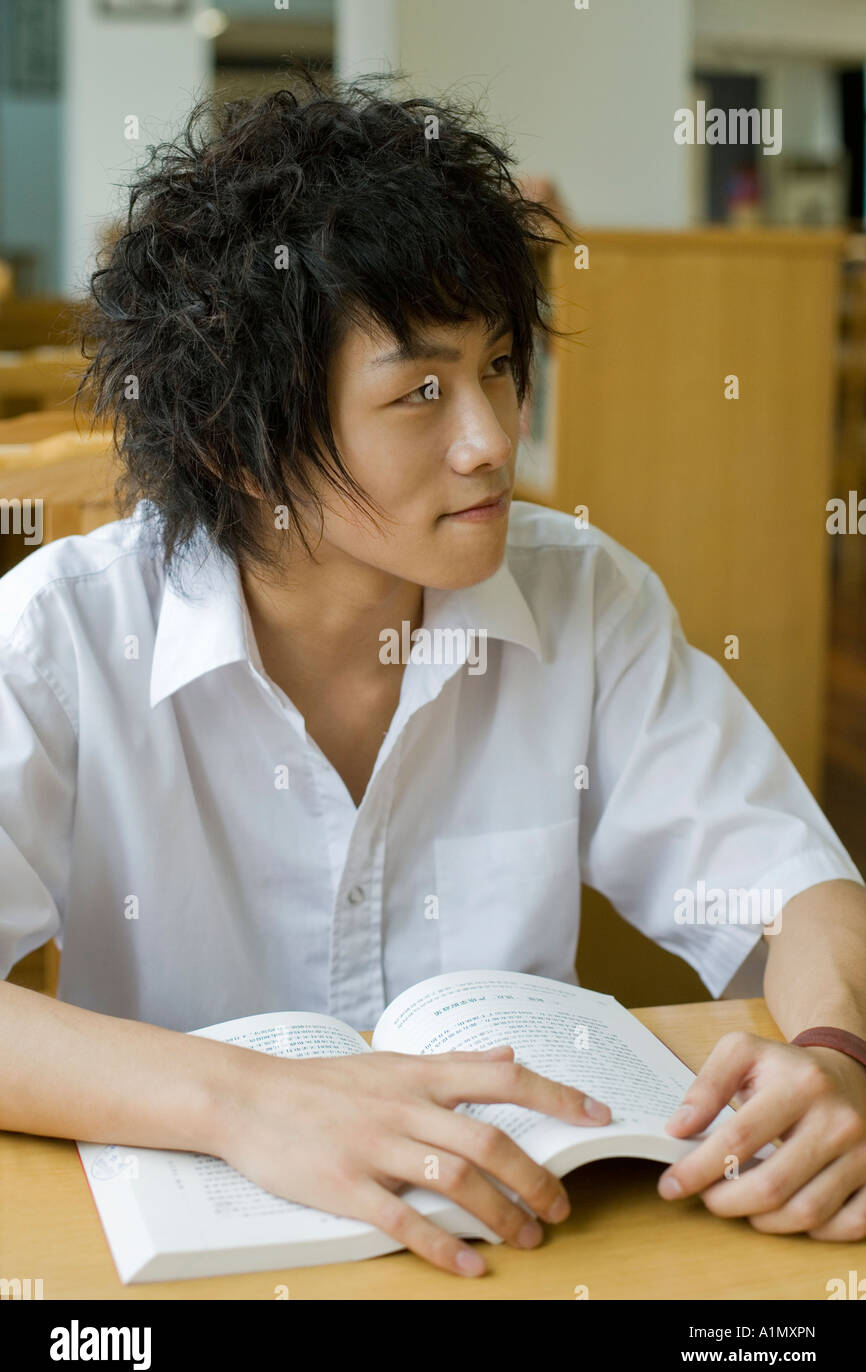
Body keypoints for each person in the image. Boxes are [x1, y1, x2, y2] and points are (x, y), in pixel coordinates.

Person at [2, 68, 866, 1281]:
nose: (493, 437)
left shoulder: (583, 597)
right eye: (419, 391)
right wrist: (245, 1101)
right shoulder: (64, 631)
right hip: (202, 1256)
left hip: (527, 1243)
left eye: (500, 365)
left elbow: (800, 889)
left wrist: (834, 1056)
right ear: (235, 443)